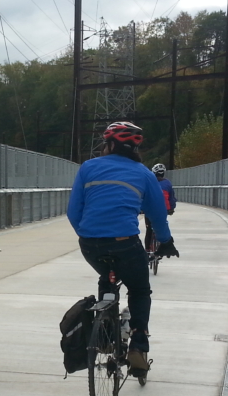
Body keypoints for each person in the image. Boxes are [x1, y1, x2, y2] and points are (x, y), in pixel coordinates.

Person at [67, 121, 179, 373]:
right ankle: (138, 344)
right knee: (139, 290)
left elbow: (73, 212)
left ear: (109, 144)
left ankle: (105, 332)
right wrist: (166, 241)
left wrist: (90, 234)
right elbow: (157, 215)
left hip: (90, 243)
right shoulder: (144, 174)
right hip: (125, 244)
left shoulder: (88, 168)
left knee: (106, 275)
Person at [145, 162, 177, 252]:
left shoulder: (149, 182)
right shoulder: (167, 183)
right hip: (164, 209)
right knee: (162, 224)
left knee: (149, 228)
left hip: (150, 209)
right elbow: (171, 199)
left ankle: (147, 249)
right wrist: (171, 208)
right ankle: (164, 243)